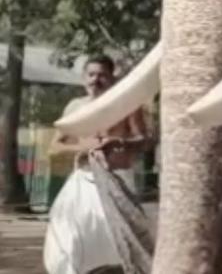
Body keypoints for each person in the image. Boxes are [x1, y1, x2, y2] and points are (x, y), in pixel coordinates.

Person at [44, 54, 153, 274]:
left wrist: (120, 142)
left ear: (112, 78)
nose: (96, 80)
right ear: (84, 77)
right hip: (83, 179)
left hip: (117, 178)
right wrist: (86, 148)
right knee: (70, 233)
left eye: (102, 75)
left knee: (116, 238)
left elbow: (145, 141)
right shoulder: (75, 107)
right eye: (91, 74)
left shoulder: (125, 105)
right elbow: (54, 147)